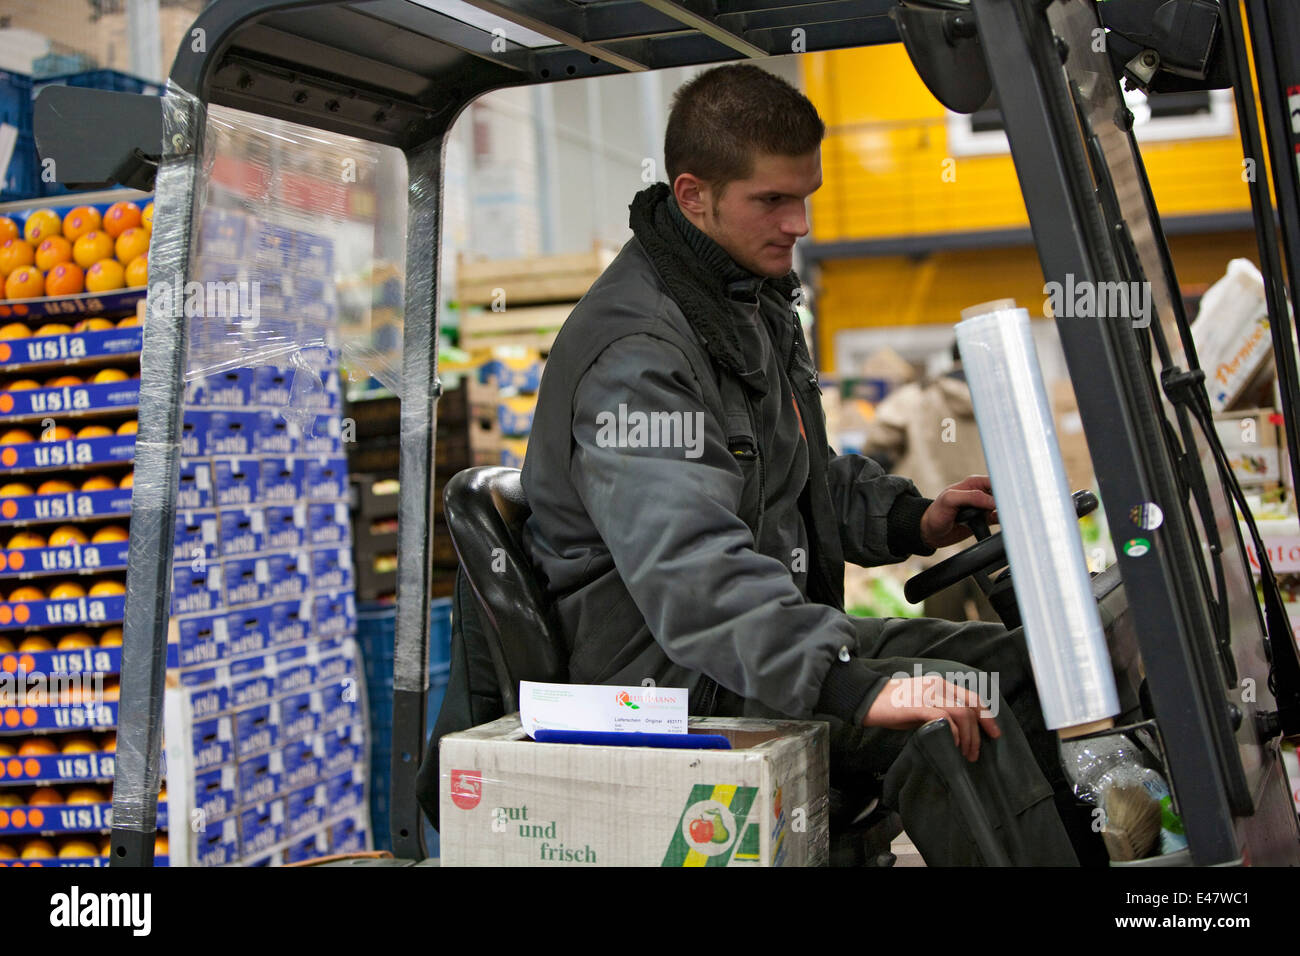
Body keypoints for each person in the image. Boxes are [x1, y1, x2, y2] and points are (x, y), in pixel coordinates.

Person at [520, 64, 1098, 865]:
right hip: (670, 678)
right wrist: (853, 685)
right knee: (952, 722)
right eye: (772, 200)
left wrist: (911, 516)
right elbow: (693, 570)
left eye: (806, 197)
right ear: (693, 196)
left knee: (1021, 671)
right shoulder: (639, 352)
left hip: (749, 646)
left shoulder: (742, 302)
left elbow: (801, 476)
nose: (798, 222)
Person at [861, 343, 1001, 623]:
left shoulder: (913, 401)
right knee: (1002, 636)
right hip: (997, 538)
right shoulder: (1003, 401)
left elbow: (875, 451)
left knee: (945, 641)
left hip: (940, 540)